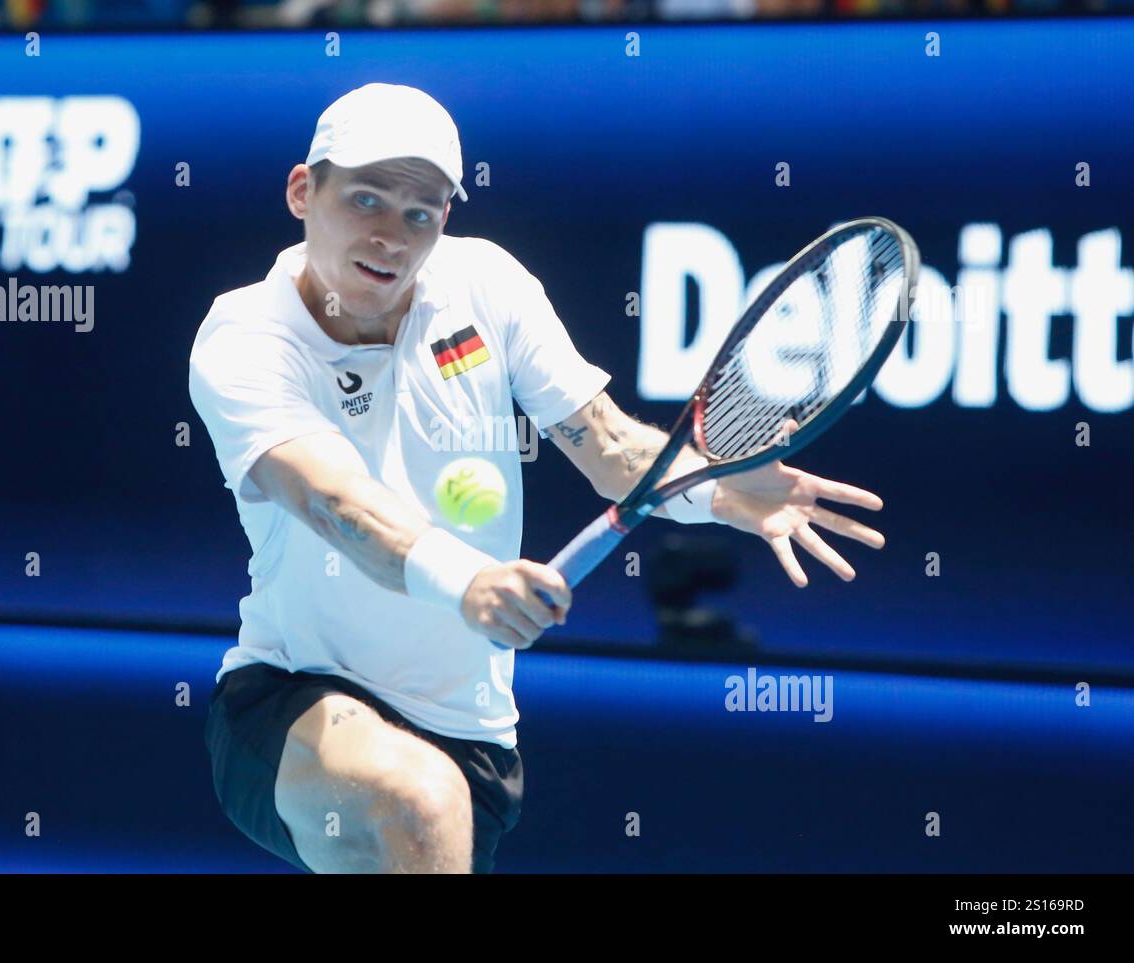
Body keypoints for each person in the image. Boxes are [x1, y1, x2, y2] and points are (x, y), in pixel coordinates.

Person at [190, 83, 885, 873]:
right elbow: (334, 500)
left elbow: (611, 446)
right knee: (417, 799)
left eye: (421, 213)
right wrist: (469, 581)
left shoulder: (486, 284)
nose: (391, 235)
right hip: (289, 696)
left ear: (445, 220)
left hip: (471, 735)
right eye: (367, 199)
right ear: (302, 191)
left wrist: (717, 487)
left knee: (434, 798)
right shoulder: (245, 335)